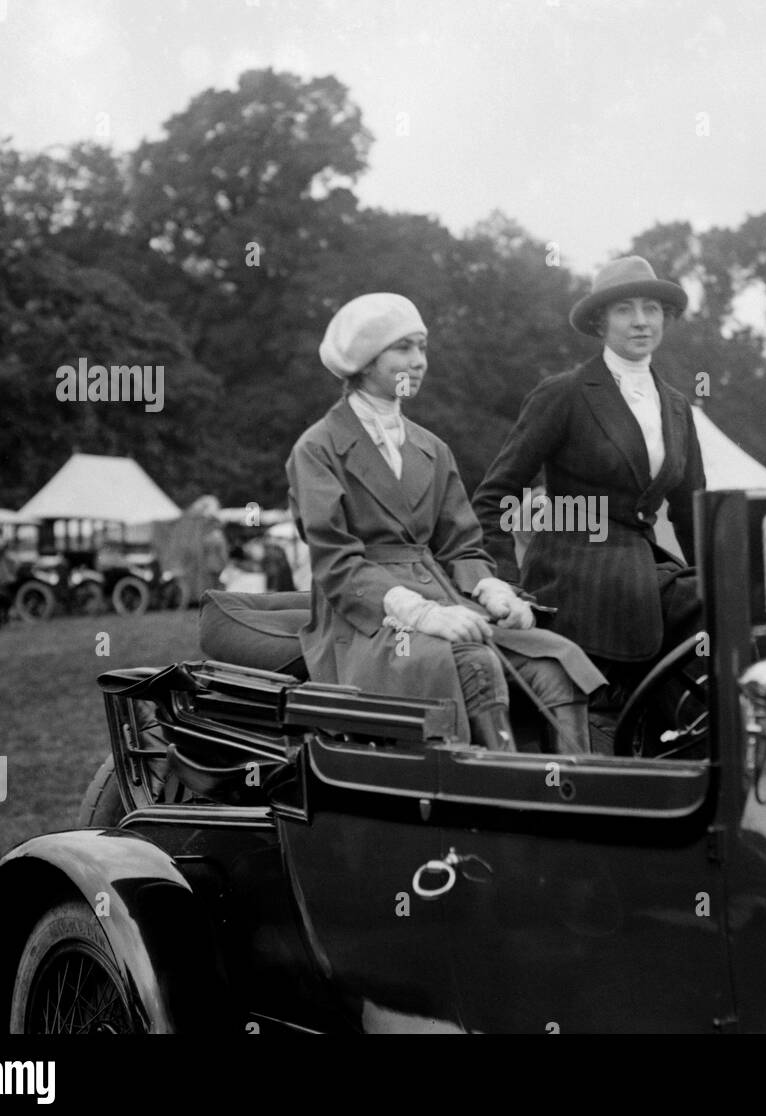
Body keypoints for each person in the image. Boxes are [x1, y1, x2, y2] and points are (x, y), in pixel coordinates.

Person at [287, 293, 606, 754]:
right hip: (363, 619)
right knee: (476, 663)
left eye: (422, 347)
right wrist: (421, 614)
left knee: (558, 662)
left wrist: (492, 590)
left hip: (443, 598)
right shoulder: (317, 448)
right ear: (363, 360)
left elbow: (461, 546)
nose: (418, 362)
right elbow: (335, 563)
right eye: (403, 348)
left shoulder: (432, 448)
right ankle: (500, 794)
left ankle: (576, 795)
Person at [471, 256, 707, 695]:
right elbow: (496, 495)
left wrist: (711, 575)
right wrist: (504, 583)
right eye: (625, 310)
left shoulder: (677, 407)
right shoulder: (565, 393)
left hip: (642, 568)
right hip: (574, 570)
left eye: (651, 309)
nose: (641, 322)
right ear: (601, 322)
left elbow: (692, 510)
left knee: (722, 606)